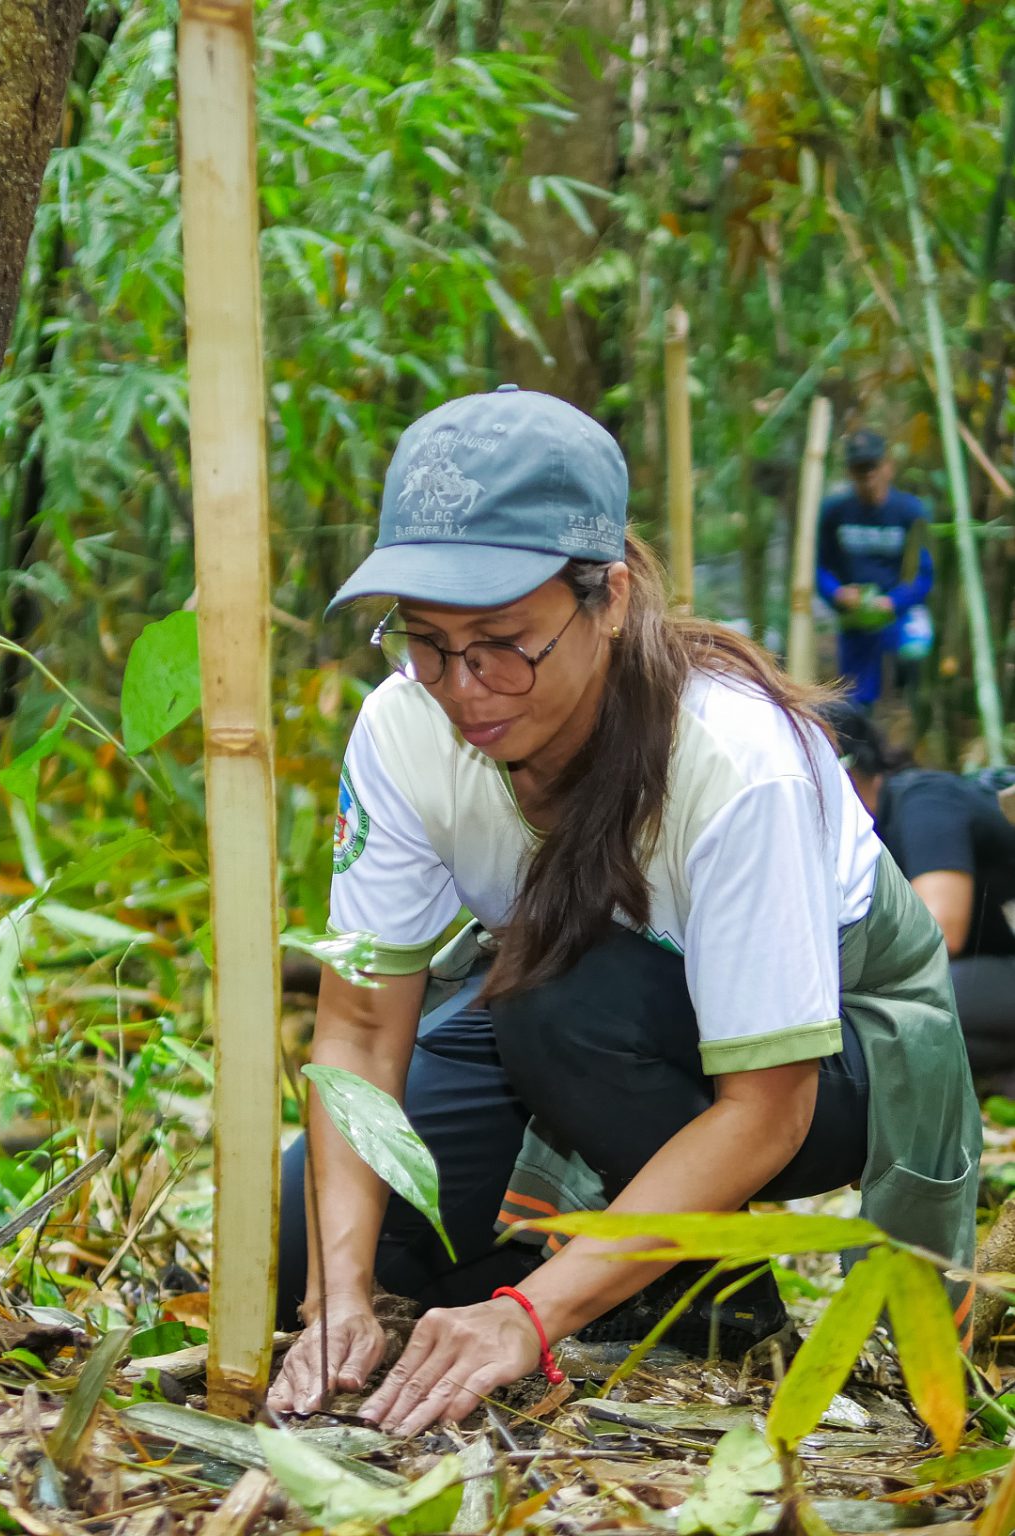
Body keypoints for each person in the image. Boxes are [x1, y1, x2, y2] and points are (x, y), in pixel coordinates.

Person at [268, 387, 980, 1437]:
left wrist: (524, 1319)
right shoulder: (400, 725)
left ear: (606, 597)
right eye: (424, 641)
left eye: (504, 641)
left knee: (560, 1002)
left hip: (832, 1058)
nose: (464, 688)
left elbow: (765, 1108)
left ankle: (709, 1305)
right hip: (570, 1029)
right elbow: (364, 1028)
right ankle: (591, 1247)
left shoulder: (734, 759)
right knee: (312, 1230)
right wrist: (337, 1293)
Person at [827, 705, 1015, 1089]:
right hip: (985, 973)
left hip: (994, 967)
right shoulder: (853, 841)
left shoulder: (925, 801)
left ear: (849, 770)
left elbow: (939, 934)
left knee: (881, 1014)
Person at [816, 429, 933, 708]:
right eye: (859, 468)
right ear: (849, 472)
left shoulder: (911, 513)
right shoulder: (834, 513)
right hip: (854, 621)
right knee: (855, 699)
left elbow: (925, 575)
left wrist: (894, 602)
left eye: (872, 466)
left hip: (900, 617)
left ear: (887, 467)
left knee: (912, 667)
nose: (867, 475)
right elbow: (818, 568)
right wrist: (837, 594)